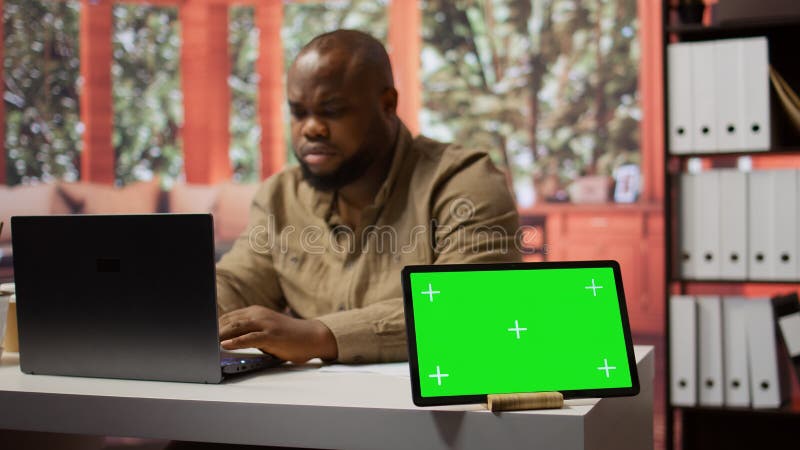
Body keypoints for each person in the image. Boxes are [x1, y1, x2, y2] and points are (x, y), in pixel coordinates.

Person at [215, 29, 520, 365]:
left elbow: (467, 307)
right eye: (299, 113)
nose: (311, 128)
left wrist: (319, 336)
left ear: (387, 104)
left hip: (432, 410)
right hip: (307, 409)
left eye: (332, 110)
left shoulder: (462, 182)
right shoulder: (279, 195)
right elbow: (236, 284)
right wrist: (182, 311)